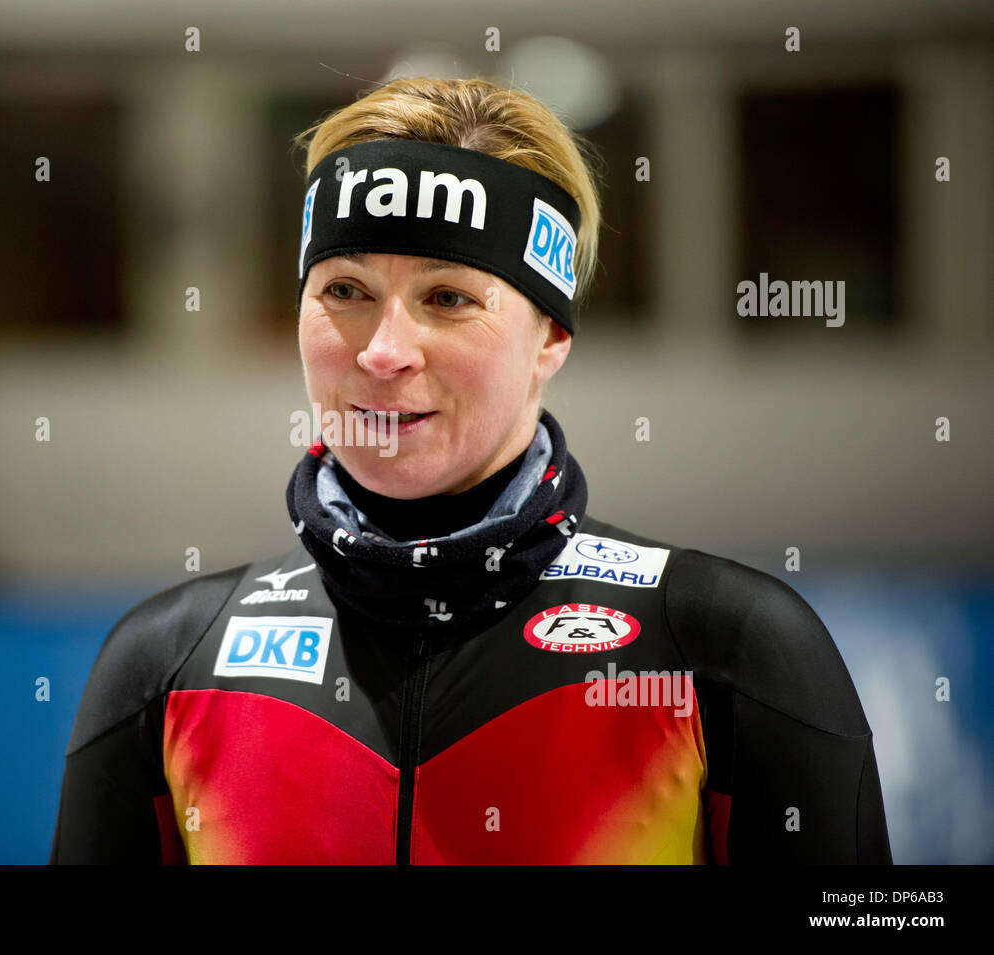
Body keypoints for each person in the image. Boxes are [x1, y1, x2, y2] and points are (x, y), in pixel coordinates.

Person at [49, 77, 891, 864]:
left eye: (448, 298)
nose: (382, 352)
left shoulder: (729, 647)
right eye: (344, 290)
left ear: (550, 338)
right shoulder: (167, 664)